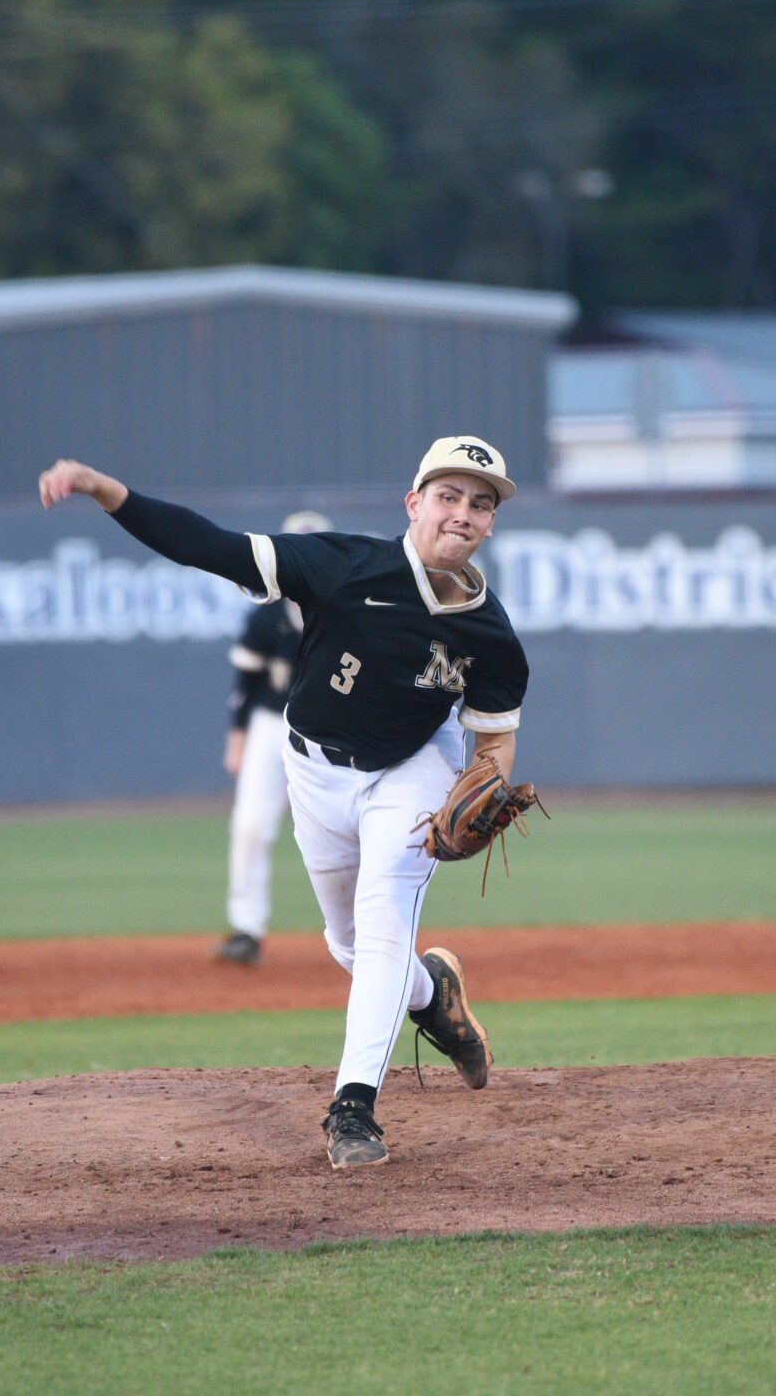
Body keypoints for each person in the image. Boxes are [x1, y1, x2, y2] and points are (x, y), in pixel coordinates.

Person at [39, 436, 528, 1171]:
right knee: (351, 945)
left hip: (413, 770)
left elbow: (493, 751)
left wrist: (474, 801)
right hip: (313, 771)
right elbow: (208, 545)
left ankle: (353, 1107)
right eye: (449, 495)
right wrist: (104, 489)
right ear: (415, 503)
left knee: (385, 914)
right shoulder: (343, 565)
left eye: (481, 503)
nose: (463, 512)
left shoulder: (492, 636)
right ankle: (435, 998)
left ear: (490, 523)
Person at [215, 509, 331, 966]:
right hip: (270, 723)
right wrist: (236, 738)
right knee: (249, 825)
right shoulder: (265, 618)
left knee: (346, 830)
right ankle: (247, 928)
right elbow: (244, 684)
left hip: (329, 729)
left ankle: (371, 933)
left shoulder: (347, 609)